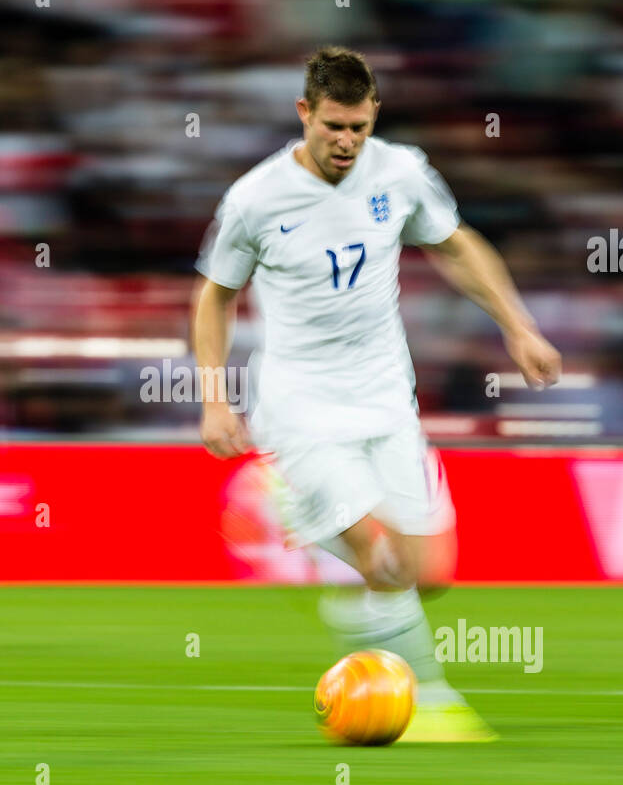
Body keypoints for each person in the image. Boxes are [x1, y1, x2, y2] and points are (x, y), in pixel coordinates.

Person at [192, 46, 561, 741]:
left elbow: (455, 245)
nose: (346, 141)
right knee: (382, 561)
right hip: (301, 406)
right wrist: (216, 399)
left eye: (359, 126)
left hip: (387, 396)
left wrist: (519, 326)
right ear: (304, 113)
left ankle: (304, 528)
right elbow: (214, 298)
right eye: (333, 125)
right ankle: (429, 701)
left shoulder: (401, 171)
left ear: (374, 117)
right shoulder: (256, 198)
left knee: (432, 570)